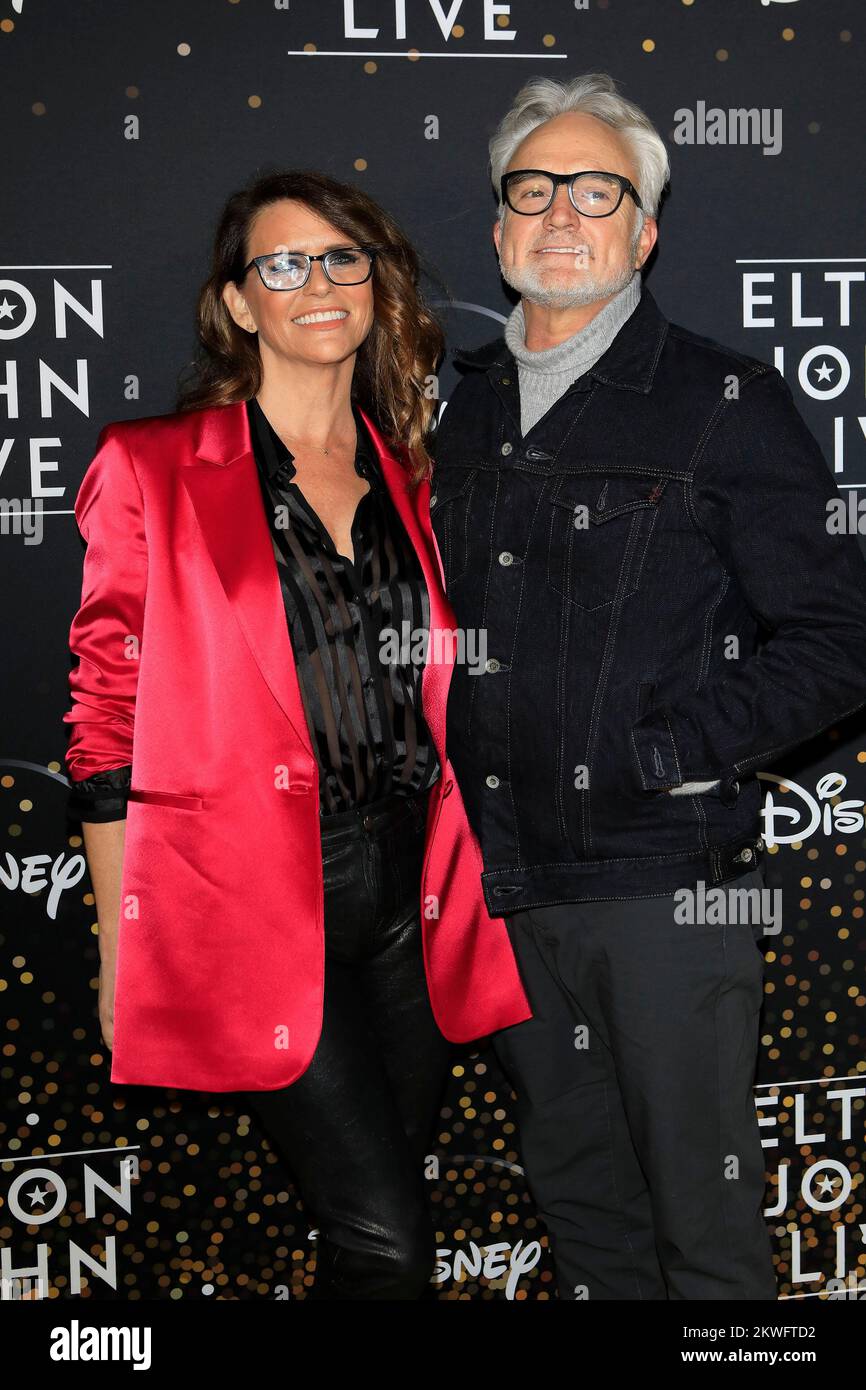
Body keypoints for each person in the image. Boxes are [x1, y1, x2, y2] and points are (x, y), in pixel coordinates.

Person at [429, 73, 866, 1300]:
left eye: (596, 190)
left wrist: (670, 751)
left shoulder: (721, 402)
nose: (561, 212)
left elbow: (840, 634)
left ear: (643, 229)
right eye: (533, 188)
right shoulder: (446, 407)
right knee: (584, 1217)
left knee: (705, 1235)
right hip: (500, 889)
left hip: (662, 889)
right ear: (500, 223)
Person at [62, 169, 531, 1300]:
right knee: (385, 1242)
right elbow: (101, 719)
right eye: (281, 263)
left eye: (341, 259)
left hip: (412, 894)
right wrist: (122, 941)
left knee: (385, 1211)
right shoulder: (153, 468)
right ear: (237, 301)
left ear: (375, 285)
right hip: (257, 894)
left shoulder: (409, 475)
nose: (315, 284)